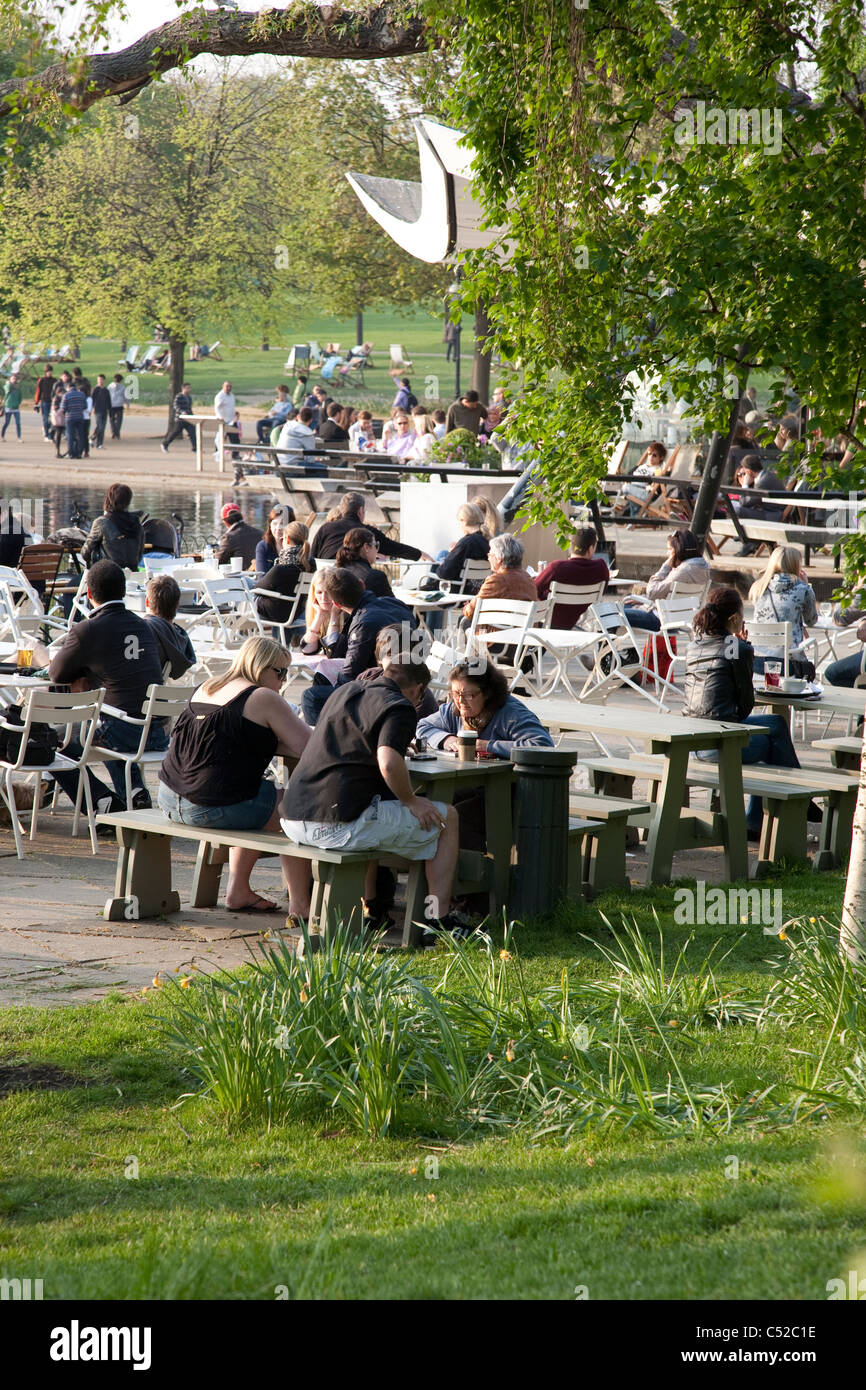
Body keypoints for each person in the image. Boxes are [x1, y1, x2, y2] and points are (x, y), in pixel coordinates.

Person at [281, 655, 465, 937]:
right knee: (447, 817)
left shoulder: (345, 690)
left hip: (293, 817)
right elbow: (389, 763)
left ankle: (372, 910)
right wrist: (411, 801)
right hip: (336, 824)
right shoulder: (400, 705)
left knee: (373, 808)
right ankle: (437, 922)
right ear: (417, 689)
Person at [158, 637, 312, 915]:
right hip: (208, 805)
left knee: (257, 793)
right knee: (295, 809)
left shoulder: (207, 686)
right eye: (280, 673)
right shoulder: (262, 697)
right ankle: (302, 908)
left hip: (170, 798)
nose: (283, 681)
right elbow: (309, 746)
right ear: (261, 667)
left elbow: (230, 737)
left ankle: (238, 890)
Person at [683, 586, 812, 839]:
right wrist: (743, 650)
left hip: (693, 740)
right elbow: (744, 708)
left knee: (776, 722)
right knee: (772, 742)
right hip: (720, 745)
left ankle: (758, 820)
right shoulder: (737, 648)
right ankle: (800, 803)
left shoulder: (694, 645)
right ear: (733, 619)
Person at [48, 560, 168, 813]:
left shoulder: (88, 629)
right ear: (124, 591)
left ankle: (100, 802)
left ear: (89, 594)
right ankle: (134, 792)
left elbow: (56, 673)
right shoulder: (145, 626)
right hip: (157, 732)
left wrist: (85, 676)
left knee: (50, 739)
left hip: (123, 732)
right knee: (110, 713)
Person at [300, 567, 417, 726]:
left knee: (311, 696)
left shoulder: (362, 623)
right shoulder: (396, 603)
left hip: (384, 687)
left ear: (336, 604)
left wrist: (337, 677)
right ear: (362, 584)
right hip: (411, 673)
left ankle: (325, 741)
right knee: (323, 678)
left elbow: (349, 675)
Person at [417, 658, 554, 760]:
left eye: (468, 695)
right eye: (455, 694)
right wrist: (446, 739)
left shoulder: (510, 714)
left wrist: (487, 746)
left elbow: (543, 745)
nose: (460, 701)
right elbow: (422, 726)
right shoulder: (452, 711)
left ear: (487, 693)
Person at [624, 528, 710, 632]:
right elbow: (664, 594)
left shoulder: (682, 571)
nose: (667, 554)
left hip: (662, 621)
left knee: (613, 614)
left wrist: (665, 566)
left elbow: (652, 593)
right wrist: (642, 599)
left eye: (669, 549)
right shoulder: (703, 568)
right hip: (684, 619)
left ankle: (609, 647)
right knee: (627, 605)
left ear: (678, 550)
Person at [748, 545, 817, 674]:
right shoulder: (803, 589)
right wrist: (806, 584)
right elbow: (811, 620)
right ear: (796, 565)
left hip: (757, 662)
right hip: (787, 664)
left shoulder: (757, 587)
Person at [311, 491, 429, 562]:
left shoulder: (325, 528)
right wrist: (419, 554)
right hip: (349, 587)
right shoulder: (366, 532)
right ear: (360, 511)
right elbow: (394, 548)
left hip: (322, 583)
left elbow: (313, 555)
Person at [534, 525, 610, 628]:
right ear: (591, 548)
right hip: (572, 621)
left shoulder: (557, 568)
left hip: (546, 622)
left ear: (571, 545)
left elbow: (532, 589)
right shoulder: (600, 568)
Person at [463, 532, 536, 622]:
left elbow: (471, 612)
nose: (488, 557)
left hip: (498, 632)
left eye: (490, 554)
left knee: (464, 621)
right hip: (524, 632)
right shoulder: (528, 578)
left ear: (498, 559)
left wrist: (467, 607)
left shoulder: (496, 580)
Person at [255, 520, 311, 626]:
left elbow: (257, 589)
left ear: (287, 539)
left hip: (276, 613)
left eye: (282, 539)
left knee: (244, 585)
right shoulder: (310, 564)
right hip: (296, 612)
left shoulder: (282, 568)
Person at [80, 483, 145, 570]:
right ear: (128, 501)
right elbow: (139, 554)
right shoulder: (137, 523)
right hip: (132, 572)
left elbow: (85, 553)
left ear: (109, 499)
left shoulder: (102, 522)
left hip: (108, 574)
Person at [144, 574, 196, 678]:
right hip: (157, 689)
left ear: (147, 602)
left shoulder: (144, 630)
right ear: (177, 604)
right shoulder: (179, 639)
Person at [435, 502, 491, 587]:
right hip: (475, 592)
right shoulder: (488, 541)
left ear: (464, 521)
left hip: (455, 592)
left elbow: (444, 573)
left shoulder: (466, 543)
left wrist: (448, 557)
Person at [335, 527, 394, 598]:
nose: (377, 550)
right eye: (376, 545)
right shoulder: (376, 577)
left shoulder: (335, 571)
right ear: (366, 547)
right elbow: (393, 606)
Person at [216, 503, 262, 569]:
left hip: (241, 576)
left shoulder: (229, 537)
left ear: (225, 521)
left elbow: (218, 562)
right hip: (260, 573)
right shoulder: (260, 533)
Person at [255, 504, 295, 577]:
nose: (278, 527)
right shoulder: (263, 546)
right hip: (266, 586)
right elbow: (261, 576)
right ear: (270, 525)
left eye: (282, 523)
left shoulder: (297, 547)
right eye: (275, 523)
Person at [161, 384, 196, 453]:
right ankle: (165, 444)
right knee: (175, 432)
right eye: (187, 388)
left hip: (188, 419)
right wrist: (181, 412)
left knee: (192, 433)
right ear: (183, 388)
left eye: (189, 388)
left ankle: (195, 448)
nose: (189, 389)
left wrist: (192, 416)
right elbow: (175, 406)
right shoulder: (179, 396)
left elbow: (189, 408)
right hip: (180, 419)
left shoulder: (189, 397)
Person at [62, 377, 87, 458]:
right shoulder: (81, 394)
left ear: (68, 387)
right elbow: (85, 406)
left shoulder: (66, 395)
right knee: (80, 436)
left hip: (70, 418)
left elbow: (63, 408)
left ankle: (71, 453)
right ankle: (79, 453)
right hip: (80, 417)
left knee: (70, 436)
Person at [34, 364, 55, 440]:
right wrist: (36, 403)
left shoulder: (54, 381)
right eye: (48, 372)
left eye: (50, 371)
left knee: (52, 419)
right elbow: (38, 392)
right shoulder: (42, 380)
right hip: (44, 402)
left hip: (52, 402)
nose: (49, 373)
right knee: (46, 419)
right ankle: (46, 435)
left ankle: (48, 431)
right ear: (45, 372)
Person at [90, 374, 111, 450]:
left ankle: (99, 443)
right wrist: (92, 408)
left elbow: (109, 401)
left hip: (104, 410)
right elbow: (91, 400)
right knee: (100, 426)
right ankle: (95, 440)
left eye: (101, 379)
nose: (100, 381)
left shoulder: (106, 390)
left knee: (102, 427)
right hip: (97, 410)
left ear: (104, 380)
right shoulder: (95, 389)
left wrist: (109, 410)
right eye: (98, 379)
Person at [1, 373, 23, 441]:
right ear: (10, 379)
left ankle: (19, 437)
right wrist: (9, 383)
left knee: (18, 423)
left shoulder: (18, 388)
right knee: (7, 423)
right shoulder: (8, 386)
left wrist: (18, 403)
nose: (14, 380)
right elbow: (6, 388)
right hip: (8, 407)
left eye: (15, 379)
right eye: (13, 378)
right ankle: (2, 436)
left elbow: (20, 397)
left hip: (16, 408)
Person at [108, 374, 129, 439]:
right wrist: (127, 403)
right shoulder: (123, 387)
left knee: (112, 420)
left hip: (111, 405)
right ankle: (117, 432)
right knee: (119, 420)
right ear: (121, 380)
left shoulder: (110, 386)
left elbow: (107, 394)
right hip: (119, 405)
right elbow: (126, 396)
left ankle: (113, 432)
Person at [49, 384, 67, 457]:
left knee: (63, 434)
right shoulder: (56, 399)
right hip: (57, 420)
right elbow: (55, 409)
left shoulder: (63, 399)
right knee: (58, 435)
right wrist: (64, 409)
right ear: (58, 393)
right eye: (61, 393)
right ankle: (57, 451)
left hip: (62, 419)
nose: (62, 394)